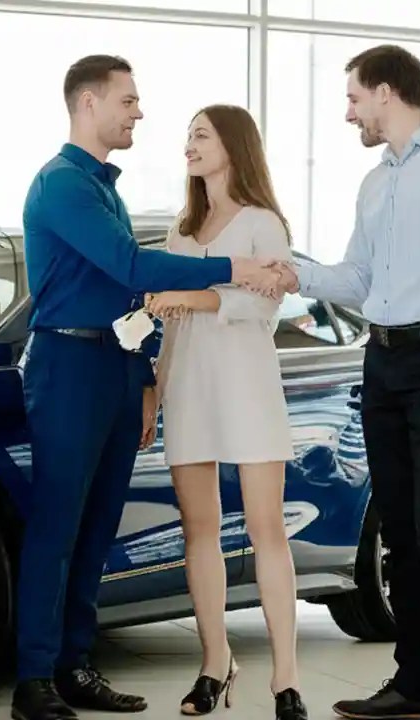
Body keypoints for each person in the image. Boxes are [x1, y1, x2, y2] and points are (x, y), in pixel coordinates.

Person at [13, 54, 277, 720]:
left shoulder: (105, 189)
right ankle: (33, 682)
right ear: (89, 104)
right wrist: (233, 267)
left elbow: (127, 300)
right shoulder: (61, 184)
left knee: (97, 526)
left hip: (112, 363)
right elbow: (130, 267)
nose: (138, 112)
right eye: (128, 100)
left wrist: (142, 382)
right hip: (67, 365)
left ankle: (74, 667)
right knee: (57, 526)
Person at [270, 44, 420, 720]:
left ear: (385, 91)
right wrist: (295, 275)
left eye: (353, 98)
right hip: (382, 364)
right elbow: (358, 278)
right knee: (398, 533)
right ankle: (412, 682)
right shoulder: (375, 184)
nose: (349, 113)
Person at [144, 104, 307, 720]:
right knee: (199, 531)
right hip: (190, 388)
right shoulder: (181, 232)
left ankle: (286, 678)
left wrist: (192, 296)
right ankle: (215, 662)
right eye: (187, 136)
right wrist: (156, 392)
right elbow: (170, 329)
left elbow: (264, 307)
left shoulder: (264, 223)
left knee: (267, 529)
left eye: (201, 135)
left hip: (248, 388)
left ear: (234, 145)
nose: (189, 145)